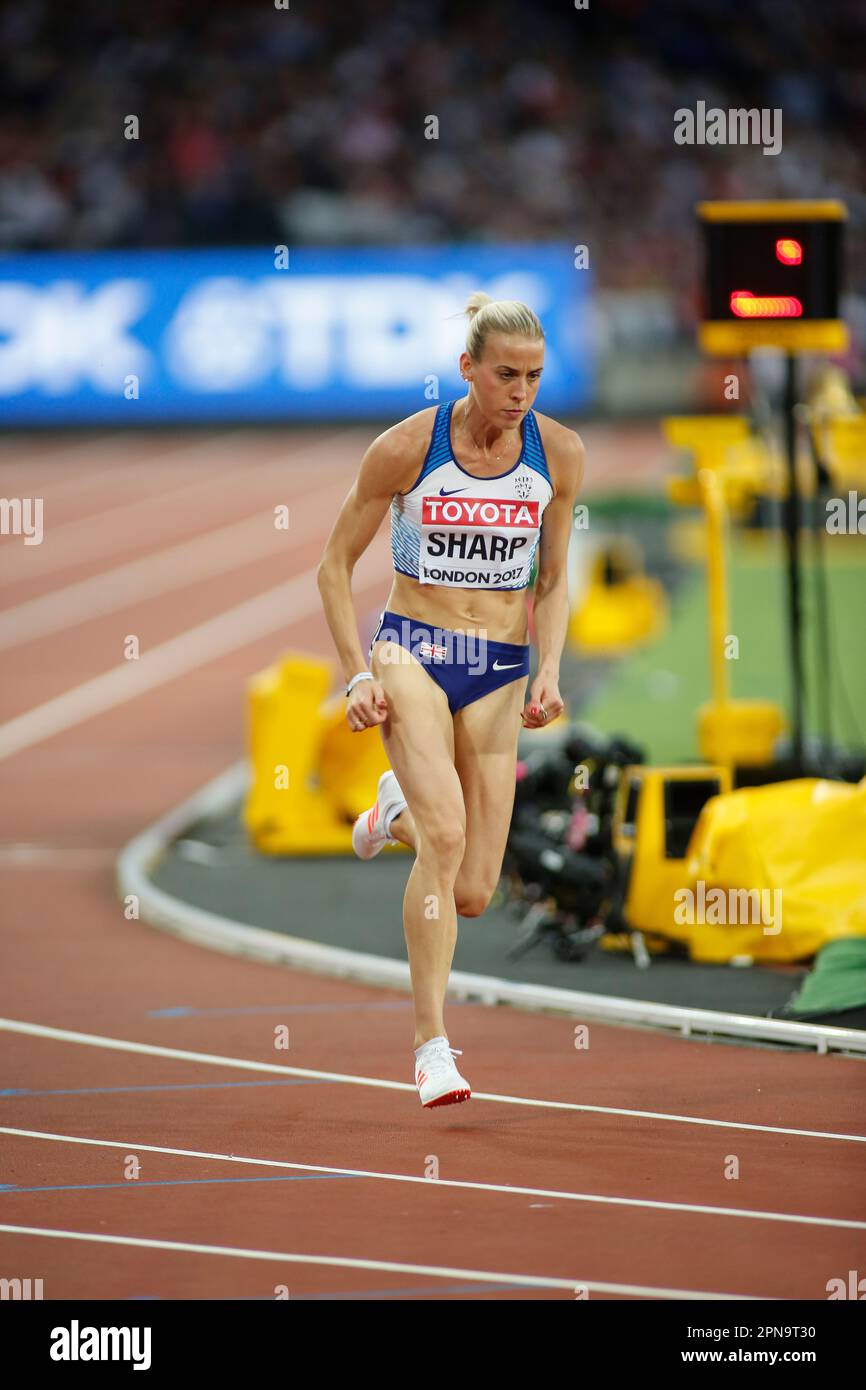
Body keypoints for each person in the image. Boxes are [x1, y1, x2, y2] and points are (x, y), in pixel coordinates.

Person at [316, 292, 584, 1107]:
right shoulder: (407, 448)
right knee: (446, 835)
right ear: (466, 368)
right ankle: (433, 1046)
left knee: (472, 890)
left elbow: (555, 576)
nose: (521, 392)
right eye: (506, 374)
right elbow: (334, 566)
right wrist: (359, 673)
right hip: (416, 651)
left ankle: (388, 812)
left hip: (500, 664)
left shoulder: (559, 453)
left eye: (535, 376)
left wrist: (549, 668)